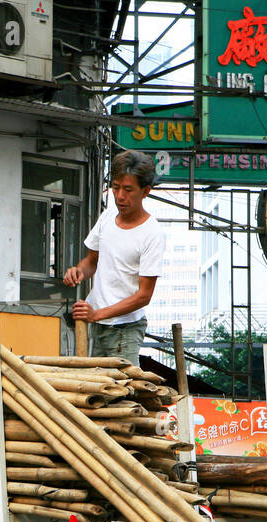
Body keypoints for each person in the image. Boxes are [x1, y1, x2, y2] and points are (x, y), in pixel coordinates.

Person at [62, 150, 165, 364]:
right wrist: (78, 272)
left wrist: (97, 315)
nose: (120, 196)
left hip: (125, 329)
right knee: (97, 390)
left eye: (128, 190)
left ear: (145, 191)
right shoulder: (108, 216)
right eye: (116, 188)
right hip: (98, 326)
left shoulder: (152, 233)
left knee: (123, 391)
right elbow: (92, 262)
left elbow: (144, 295)